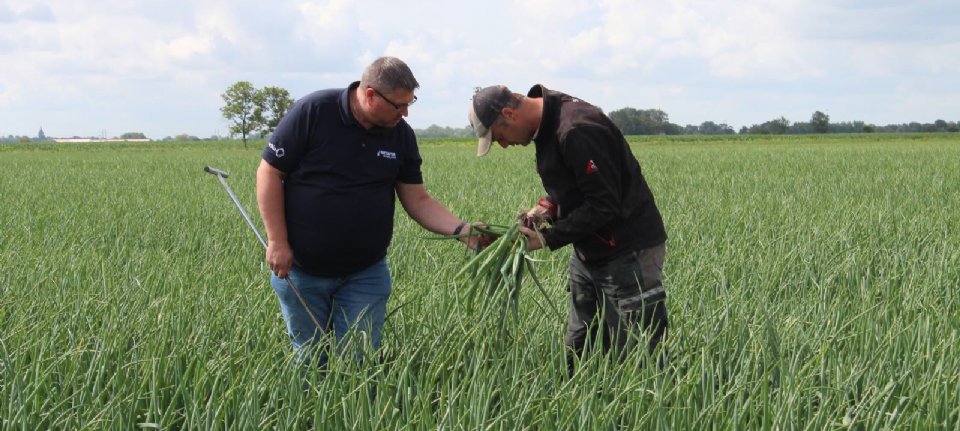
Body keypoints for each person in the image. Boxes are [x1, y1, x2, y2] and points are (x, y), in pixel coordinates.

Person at [256, 56, 485, 366]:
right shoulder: (313, 112)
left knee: (359, 361)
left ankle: (351, 415)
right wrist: (277, 241)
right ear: (370, 95)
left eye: (410, 104)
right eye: (399, 105)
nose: (405, 113)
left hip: (365, 272)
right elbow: (270, 173)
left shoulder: (400, 134)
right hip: (303, 268)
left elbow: (417, 199)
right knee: (310, 361)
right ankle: (313, 414)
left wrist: (463, 231)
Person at [468, 84, 669, 374]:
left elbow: (604, 204)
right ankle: (588, 406)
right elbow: (577, 187)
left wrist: (547, 238)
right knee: (580, 343)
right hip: (589, 250)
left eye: (499, 137)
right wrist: (543, 211)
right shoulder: (547, 126)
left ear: (509, 114)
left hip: (627, 251)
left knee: (637, 352)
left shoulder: (576, 128)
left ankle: (640, 413)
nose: (503, 144)